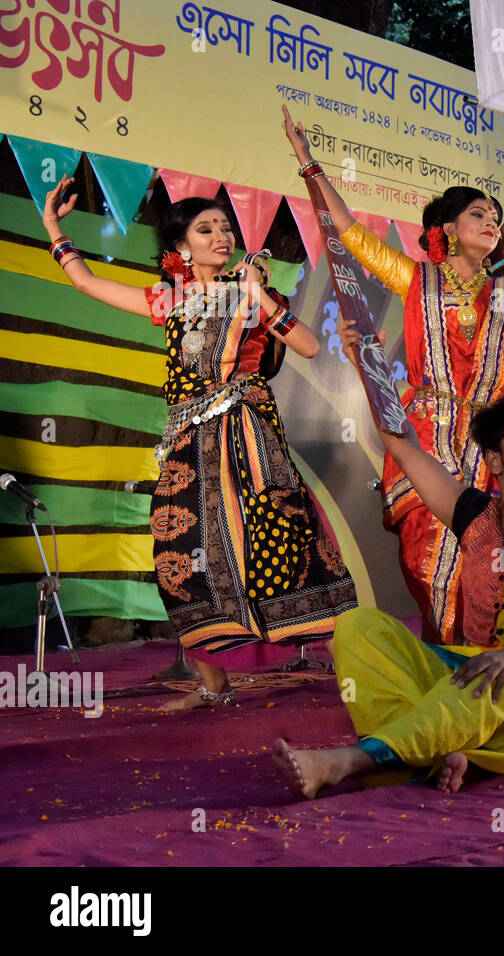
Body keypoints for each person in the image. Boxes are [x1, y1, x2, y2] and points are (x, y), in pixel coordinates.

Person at [41, 176, 357, 711]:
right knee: (182, 555)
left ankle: (358, 667)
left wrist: (258, 295)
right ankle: (214, 686)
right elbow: (88, 284)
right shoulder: (169, 301)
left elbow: (304, 345)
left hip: (249, 439)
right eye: (206, 228)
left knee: (283, 543)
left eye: (226, 227)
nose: (221, 236)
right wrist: (53, 227)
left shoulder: (252, 294)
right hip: (189, 445)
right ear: (180, 248)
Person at [273, 346, 504, 797]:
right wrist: (363, 359)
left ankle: (352, 761)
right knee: (356, 627)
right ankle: (436, 753)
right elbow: (402, 446)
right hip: (481, 668)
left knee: (490, 683)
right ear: (495, 462)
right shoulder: (475, 514)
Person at [283, 107, 504, 646]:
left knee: (493, 553)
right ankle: (447, 658)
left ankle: (477, 666)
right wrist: (307, 162)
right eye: (479, 213)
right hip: (427, 436)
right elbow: (347, 230)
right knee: (428, 551)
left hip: (495, 446)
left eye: (495, 217)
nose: (490, 222)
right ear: (448, 231)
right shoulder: (417, 280)